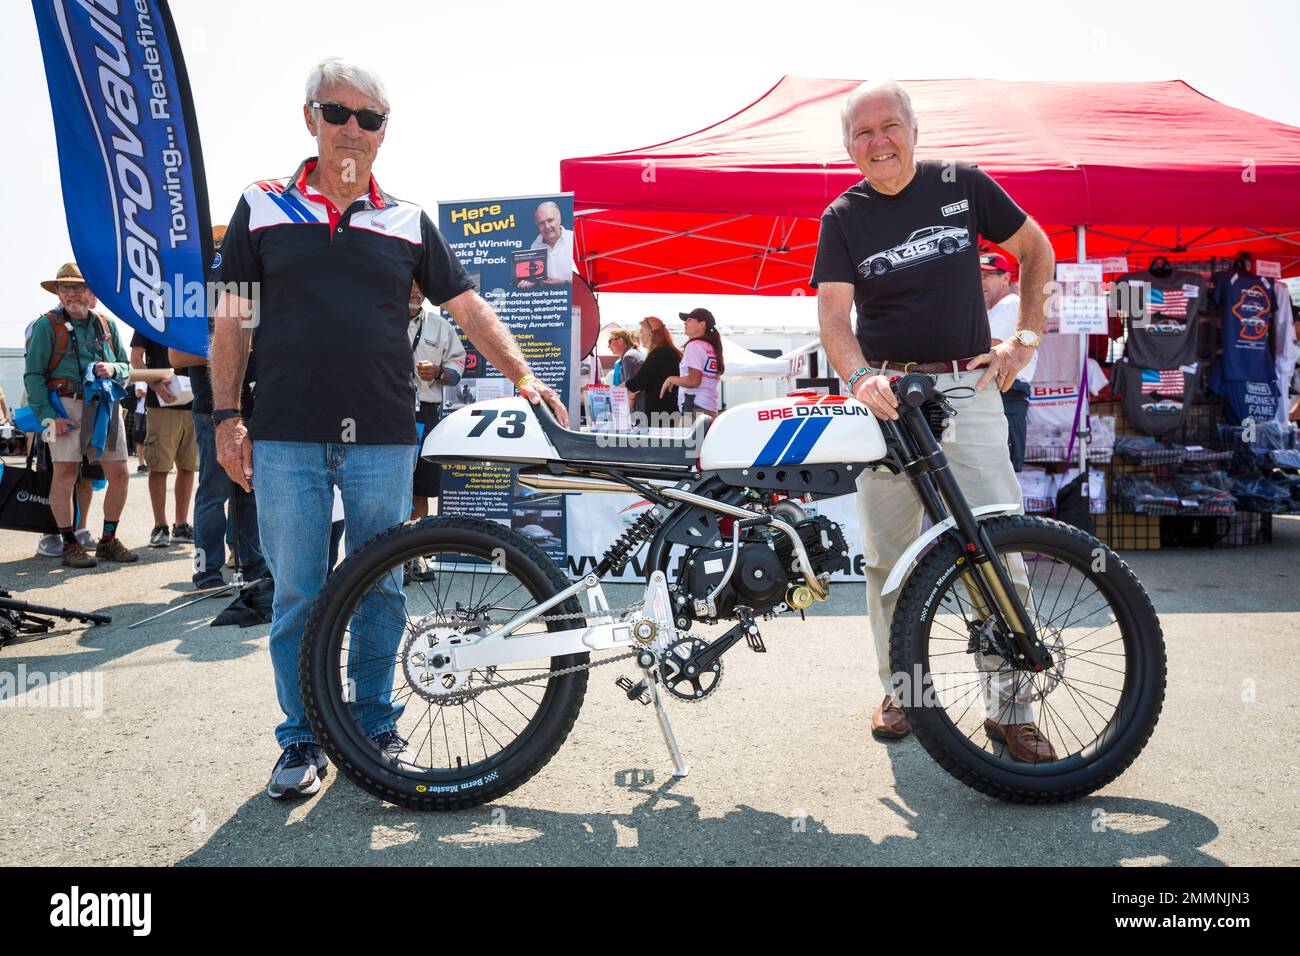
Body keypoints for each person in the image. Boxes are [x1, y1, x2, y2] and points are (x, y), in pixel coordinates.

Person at [210, 57, 568, 801]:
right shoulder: (261, 203)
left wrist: (524, 374)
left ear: (383, 131)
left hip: (382, 433)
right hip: (284, 432)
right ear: (309, 117)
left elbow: (467, 307)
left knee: (378, 589)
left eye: (368, 118)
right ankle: (302, 738)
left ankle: (372, 727)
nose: (352, 129)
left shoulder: (407, 220)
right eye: (337, 112)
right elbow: (231, 320)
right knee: (299, 593)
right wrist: (225, 417)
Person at [811, 80, 1056, 761]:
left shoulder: (963, 183)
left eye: (889, 126)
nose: (878, 141)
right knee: (888, 558)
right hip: (885, 398)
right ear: (848, 147)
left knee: (998, 546)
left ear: (914, 131)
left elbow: (1037, 250)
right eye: (862, 133)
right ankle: (903, 691)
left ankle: (1012, 710)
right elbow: (833, 320)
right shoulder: (842, 216)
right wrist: (860, 377)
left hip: (969, 389)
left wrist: (1024, 340)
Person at [168, 226, 269, 590]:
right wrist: (231, 343)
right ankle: (206, 570)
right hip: (210, 406)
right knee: (213, 490)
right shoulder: (188, 291)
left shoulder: (252, 286)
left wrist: (241, 341)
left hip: (255, 403)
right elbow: (176, 356)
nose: (221, 255)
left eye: (225, 247)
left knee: (249, 488)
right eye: (214, 248)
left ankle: (253, 565)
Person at [22, 263, 138, 567]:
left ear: (91, 291)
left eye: (78, 286)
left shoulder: (107, 325)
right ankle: (70, 543)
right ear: (58, 293)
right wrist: (49, 416)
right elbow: (33, 376)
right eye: (65, 287)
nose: (71, 293)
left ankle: (108, 541)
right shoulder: (47, 325)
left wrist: (113, 369)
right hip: (65, 404)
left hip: (104, 403)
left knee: (120, 473)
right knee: (65, 473)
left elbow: (126, 366)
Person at [130, 330, 198, 548]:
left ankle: (181, 525)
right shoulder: (151, 314)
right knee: (159, 467)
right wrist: (155, 385)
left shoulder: (196, 315)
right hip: (161, 403)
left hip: (196, 403)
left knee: (188, 467)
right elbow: (135, 359)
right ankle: (160, 526)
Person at [408, 279, 465, 521]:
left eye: (420, 286)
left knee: (420, 488)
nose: (415, 291)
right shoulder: (380, 320)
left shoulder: (440, 326)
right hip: (384, 412)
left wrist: (438, 373)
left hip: (423, 414)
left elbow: (456, 370)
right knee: (382, 483)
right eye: (410, 284)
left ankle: (413, 544)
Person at [981, 252, 1036, 471]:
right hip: (1001, 393)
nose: (981, 281)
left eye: (988, 275)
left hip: (1007, 393)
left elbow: (989, 345)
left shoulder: (1010, 303)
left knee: (1003, 470)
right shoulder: (994, 309)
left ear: (1006, 278)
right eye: (978, 276)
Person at [659, 307, 723, 420]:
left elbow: (694, 381)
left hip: (694, 407)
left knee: (689, 433)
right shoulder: (711, 347)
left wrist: (671, 379)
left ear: (702, 324)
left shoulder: (694, 345)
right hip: (710, 407)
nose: (685, 323)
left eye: (689, 320)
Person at [624, 316, 681, 426]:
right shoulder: (671, 352)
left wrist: (612, 390)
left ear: (650, 334)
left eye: (641, 331)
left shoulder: (658, 354)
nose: (639, 335)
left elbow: (636, 383)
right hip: (670, 412)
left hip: (659, 416)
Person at [520, 201, 574, 287]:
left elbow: (584, 280)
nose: (547, 226)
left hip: (574, 295)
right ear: (537, 225)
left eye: (550, 220)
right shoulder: (535, 246)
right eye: (542, 223)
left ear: (559, 218)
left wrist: (564, 283)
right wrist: (532, 282)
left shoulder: (573, 239)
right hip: (548, 295)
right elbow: (536, 278)